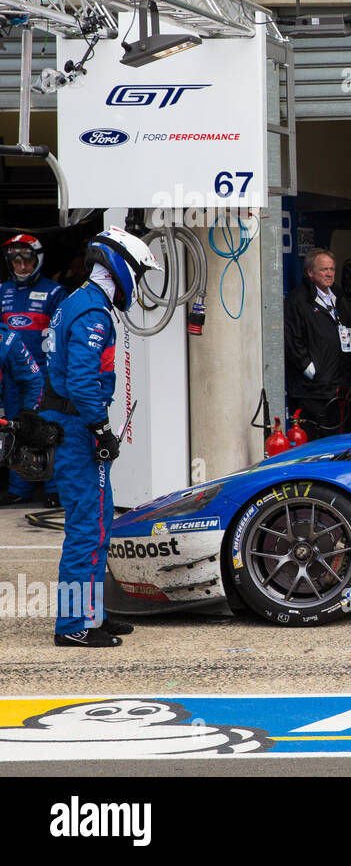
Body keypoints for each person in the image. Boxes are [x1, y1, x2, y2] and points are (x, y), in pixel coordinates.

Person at [40, 227, 160, 647]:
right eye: (138, 272)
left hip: (68, 423)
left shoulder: (74, 301)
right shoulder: (92, 312)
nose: (139, 282)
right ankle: (73, 625)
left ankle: (92, 613)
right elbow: (81, 380)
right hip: (76, 429)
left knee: (99, 520)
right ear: (121, 266)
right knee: (87, 528)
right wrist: (99, 428)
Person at [1, 234, 67, 506]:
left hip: (44, 373)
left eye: (26, 261)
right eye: (16, 261)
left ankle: (53, 488)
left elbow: (63, 335)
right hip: (11, 378)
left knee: (46, 429)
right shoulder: (1, 291)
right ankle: (20, 488)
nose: (22, 267)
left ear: (37, 260)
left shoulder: (55, 293)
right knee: (15, 428)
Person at [284, 248, 351, 440]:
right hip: (312, 393)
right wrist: (311, 371)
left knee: (338, 442)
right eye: (324, 269)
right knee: (315, 445)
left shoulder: (338, 296)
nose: (329, 273)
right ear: (310, 272)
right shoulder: (298, 300)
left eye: (332, 269)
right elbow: (292, 340)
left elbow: (348, 331)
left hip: (338, 390)